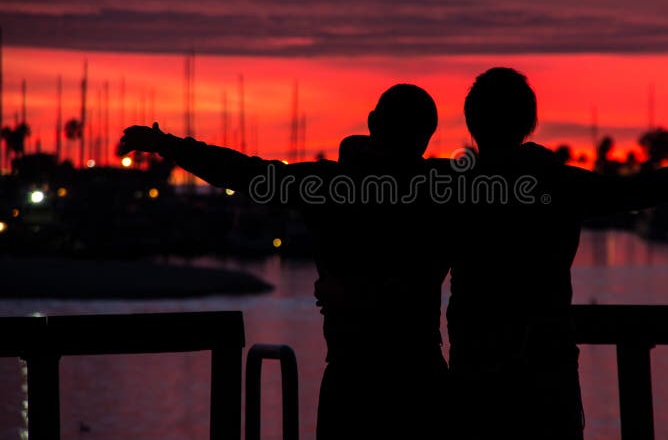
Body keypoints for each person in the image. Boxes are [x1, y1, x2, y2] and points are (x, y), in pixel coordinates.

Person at [119, 84, 452, 440]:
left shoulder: (330, 186)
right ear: (426, 138)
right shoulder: (444, 192)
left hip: (353, 375)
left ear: (372, 123)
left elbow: (244, 173)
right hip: (421, 375)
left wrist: (168, 145)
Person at [446, 67, 668, 439]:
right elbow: (638, 192)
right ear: (528, 122)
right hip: (545, 374)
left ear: (473, 123)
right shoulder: (557, 183)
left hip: (474, 372)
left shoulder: (451, 189)